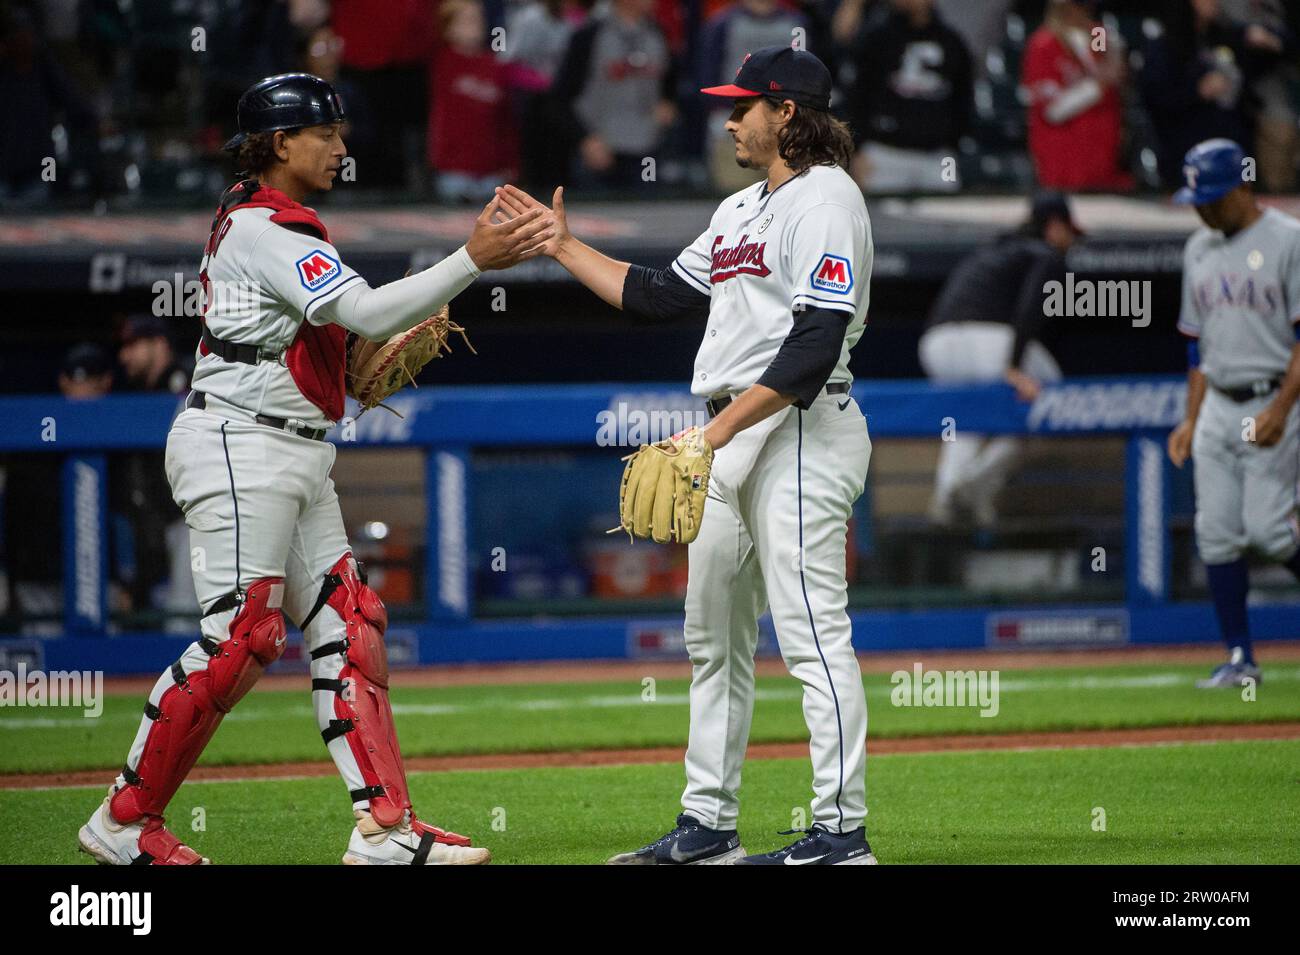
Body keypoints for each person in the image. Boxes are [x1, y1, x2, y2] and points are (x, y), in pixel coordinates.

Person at [76, 72, 554, 866]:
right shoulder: (265, 228)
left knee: (348, 619)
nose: (341, 145)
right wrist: (473, 257)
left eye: (339, 130)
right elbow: (366, 313)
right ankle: (126, 817)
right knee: (240, 636)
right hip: (238, 443)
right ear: (277, 144)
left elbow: (339, 324)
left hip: (291, 446)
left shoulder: (276, 221)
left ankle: (385, 829)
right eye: (324, 133)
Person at [498, 45, 877, 865]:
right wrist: (563, 246)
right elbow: (658, 295)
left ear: (788, 114)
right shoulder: (740, 208)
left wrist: (710, 434)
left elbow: (813, 347)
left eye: (745, 105)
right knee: (712, 637)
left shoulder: (828, 198)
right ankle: (708, 826)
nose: (730, 117)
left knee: (811, 632)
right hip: (734, 434)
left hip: (799, 425)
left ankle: (842, 835)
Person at [1165, 138, 1300, 688]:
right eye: (1198, 199)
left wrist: (1283, 407)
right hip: (1218, 400)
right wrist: (1191, 418)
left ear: (1245, 187)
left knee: (1271, 532)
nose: (1204, 208)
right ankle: (1241, 659)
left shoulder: (1289, 240)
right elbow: (1197, 347)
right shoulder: (1197, 247)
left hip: (1273, 395)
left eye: (1214, 198)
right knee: (1216, 534)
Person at [918, 191, 1080, 528]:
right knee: (1049, 397)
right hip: (988, 341)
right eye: (1069, 232)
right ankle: (975, 483)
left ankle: (948, 494)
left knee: (967, 417)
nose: (1070, 242)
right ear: (1053, 227)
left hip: (936, 345)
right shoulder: (1046, 253)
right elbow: (1030, 309)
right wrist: (1014, 367)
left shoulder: (992, 249)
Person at [846, 0, 973, 194]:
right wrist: (857, 151)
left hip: (938, 156)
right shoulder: (876, 40)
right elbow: (857, 100)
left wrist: (952, 144)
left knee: (947, 217)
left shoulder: (952, 42)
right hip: (884, 152)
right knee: (880, 221)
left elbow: (964, 102)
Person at [550, 0, 678, 190]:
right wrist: (584, 139)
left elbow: (670, 84)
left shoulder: (658, 33)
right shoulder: (589, 34)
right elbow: (560, 97)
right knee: (600, 216)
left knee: (648, 215)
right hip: (600, 149)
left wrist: (668, 105)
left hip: (647, 148)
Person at [1022, 0, 1131, 191]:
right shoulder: (1044, 44)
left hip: (1103, 155)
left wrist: (1112, 53)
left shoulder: (1098, 34)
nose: (1083, 10)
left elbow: (1108, 68)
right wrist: (1097, 86)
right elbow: (1052, 110)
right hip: (1065, 159)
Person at [117, 315, 190, 394]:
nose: (123, 356)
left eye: (132, 344)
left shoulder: (192, 385)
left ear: (159, 343)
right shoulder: (133, 390)